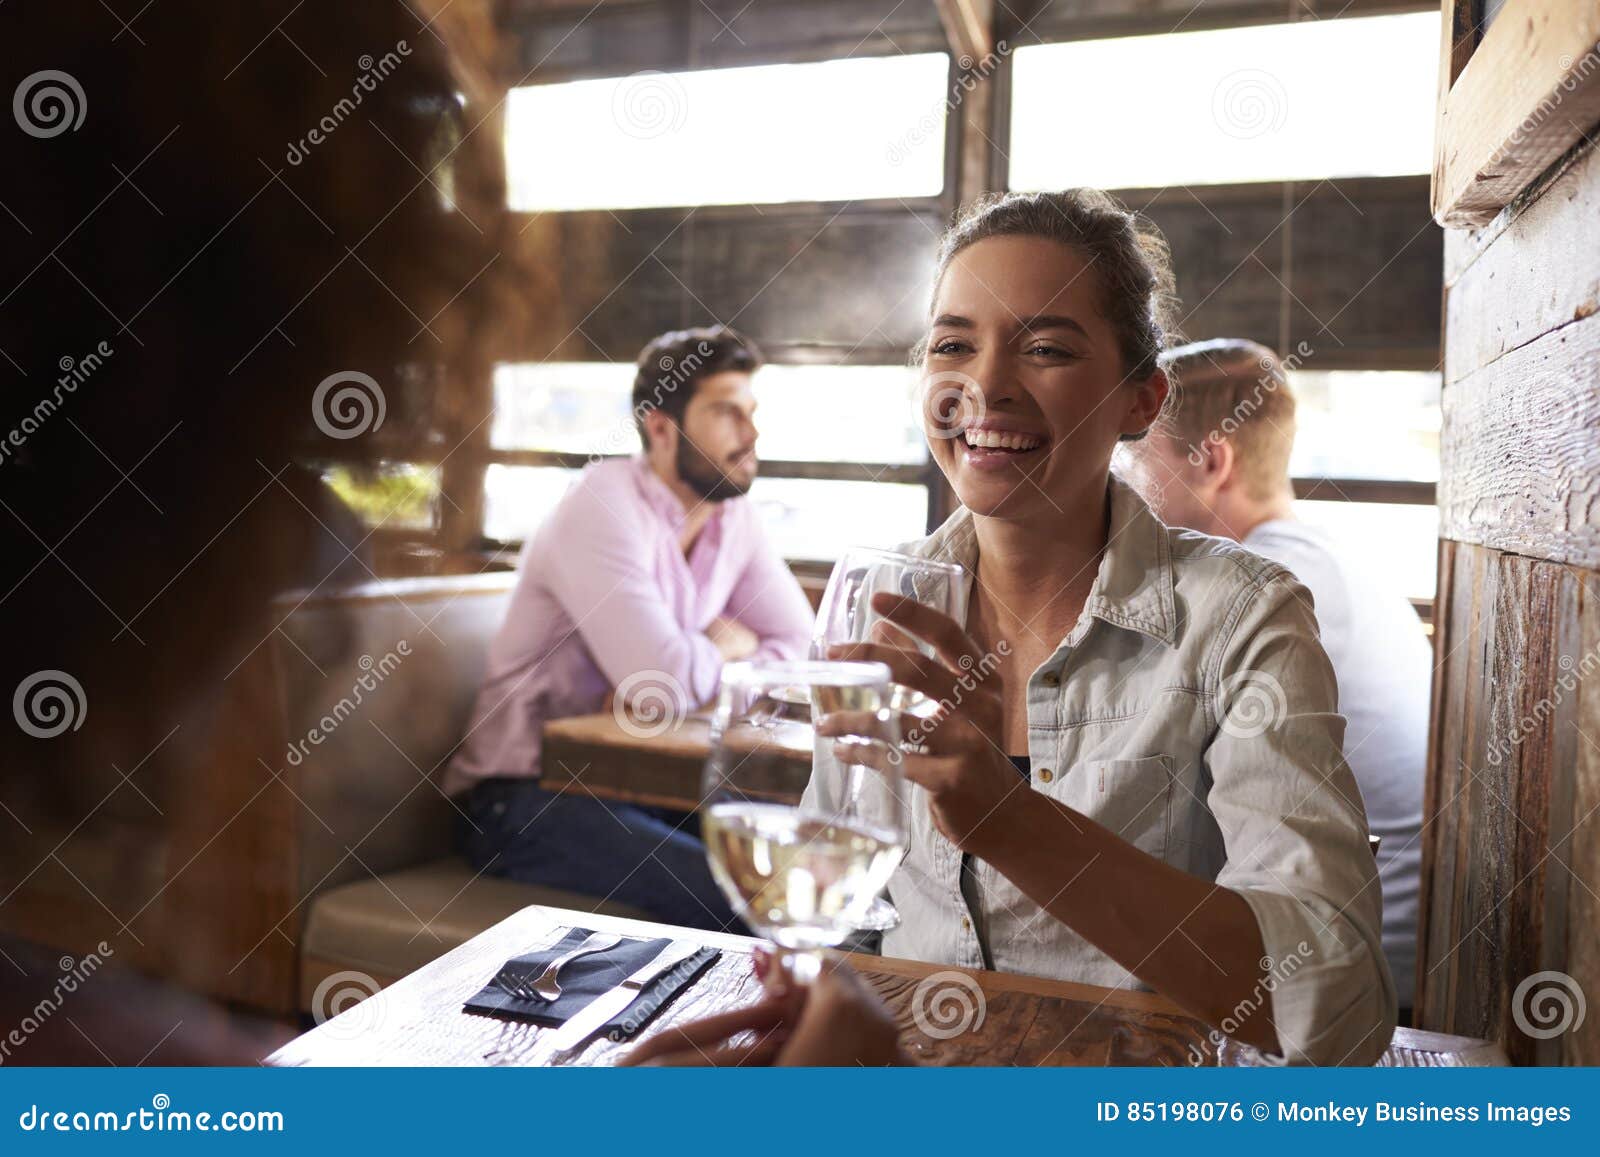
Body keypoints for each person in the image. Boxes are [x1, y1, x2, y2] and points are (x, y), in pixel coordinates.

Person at [790, 189, 1395, 1066]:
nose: (985, 385)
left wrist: (1009, 822)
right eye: (952, 344)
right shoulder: (882, 608)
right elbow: (834, 910)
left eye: (1045, 349)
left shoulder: (1240, 616)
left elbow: (1338, 1007)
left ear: (1139, 401)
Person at [445, 326, 814, 930]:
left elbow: (802, 651)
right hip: (523, 798)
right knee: (748, 903)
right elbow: (658, 681)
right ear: (660, 427)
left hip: (648, 784)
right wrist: (725, 650)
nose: (751, 434)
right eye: (726, 412)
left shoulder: (732, 518)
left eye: (751, 412)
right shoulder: (603, 504)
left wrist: (701, 667)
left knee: (801, 872)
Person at [1117, 338, 1428, 1014]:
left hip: (1360, 987)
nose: (1124, 488)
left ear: (1210, 461)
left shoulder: (1270, 591)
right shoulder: (1313, 555)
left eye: (1138, 461)